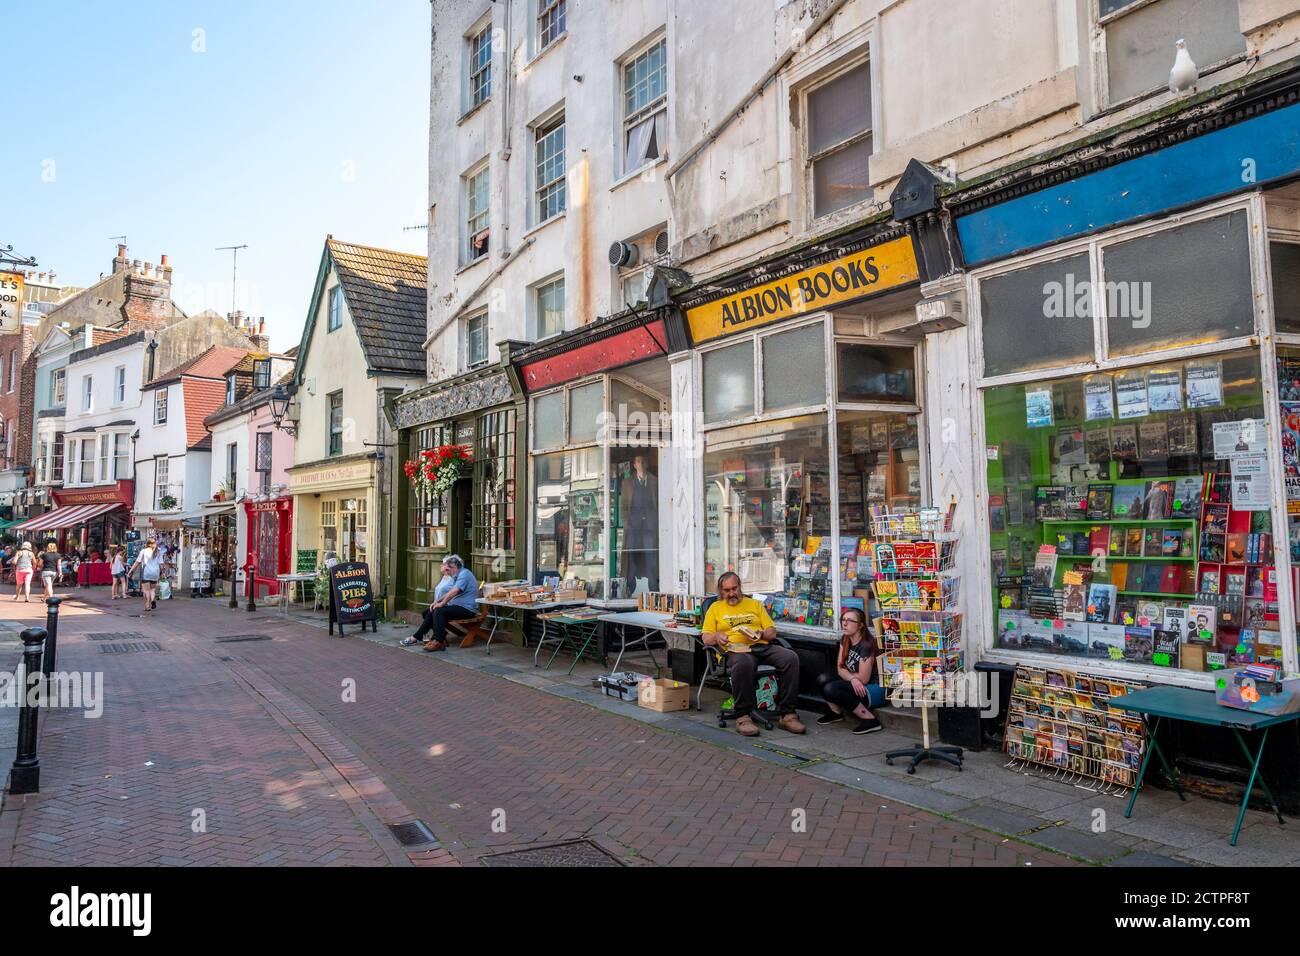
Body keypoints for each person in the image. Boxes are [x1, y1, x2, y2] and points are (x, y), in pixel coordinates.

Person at [701, 571, 805, 737]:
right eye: (727, 590)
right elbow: (706, 637)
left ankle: (788, 715)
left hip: (760, 646)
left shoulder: (755, 604)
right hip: (735, 649)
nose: (731, 593)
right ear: (721, 591)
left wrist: (761, 633)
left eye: (734, 588)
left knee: (790, 658)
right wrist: (717, 636)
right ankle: (743, 716)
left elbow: (772, 632)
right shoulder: (715, 608)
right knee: (744, 663)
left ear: (740, 587)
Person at [816, 607, 885, 734]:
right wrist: (852, 678)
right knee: (822, 678)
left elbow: (864, 679)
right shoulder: (845, 638)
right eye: (843, 619)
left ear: (860, 626)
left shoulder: (866, 645)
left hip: (873, 690)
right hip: (855, 683)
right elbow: (840, 668)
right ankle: (836, 713)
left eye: (850, 621)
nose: (845, 623)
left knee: (831, 688)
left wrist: (851, 677)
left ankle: (870, 720)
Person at [402, 554, 480, 651]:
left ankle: (438, 641)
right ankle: (423, 637)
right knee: (428, 611)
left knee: (439, 611)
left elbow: (454, 591)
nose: (446, 572)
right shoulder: (456, 574)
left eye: (448, 570)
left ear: (454, 567)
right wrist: (437, 601)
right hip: (457, 606)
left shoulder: (464, 574)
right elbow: (449, 592)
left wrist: (442, 603)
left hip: (467, 609)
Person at [130, 537, 162, 613]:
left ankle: (147, 606)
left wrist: (131, 570)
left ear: (147, 544)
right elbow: (161, 563)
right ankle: (153, 600)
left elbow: (137, 562)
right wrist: (162, 572)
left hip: (146, 572)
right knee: (152, 589)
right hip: (155, 572)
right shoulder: (158, 551)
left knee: (146, 590)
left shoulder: (143, 551)